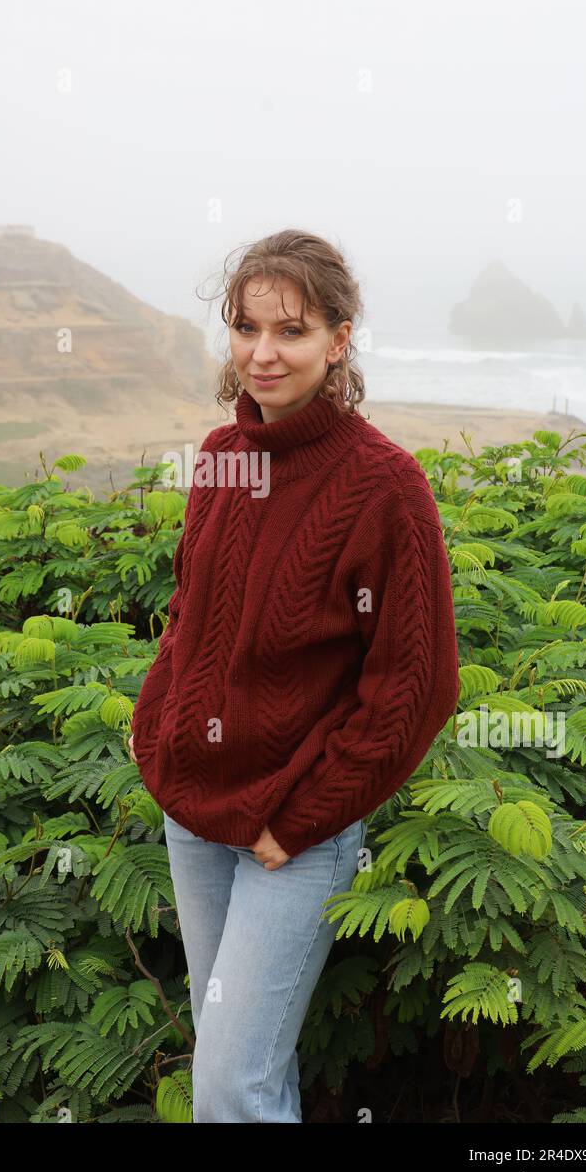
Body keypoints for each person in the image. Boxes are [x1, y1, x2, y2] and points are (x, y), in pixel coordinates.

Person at [129, 228, 460, 1122]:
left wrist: (303, 820)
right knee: (238, 1069)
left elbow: (415, 687)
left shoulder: (385, 485)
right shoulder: (219, 456)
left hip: (293, 836)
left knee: (231, 1085)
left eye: (292, 332)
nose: (262, 354)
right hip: (193, 815)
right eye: (245, 329)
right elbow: (189, 619)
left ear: (339, 340)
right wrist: (154, 732)